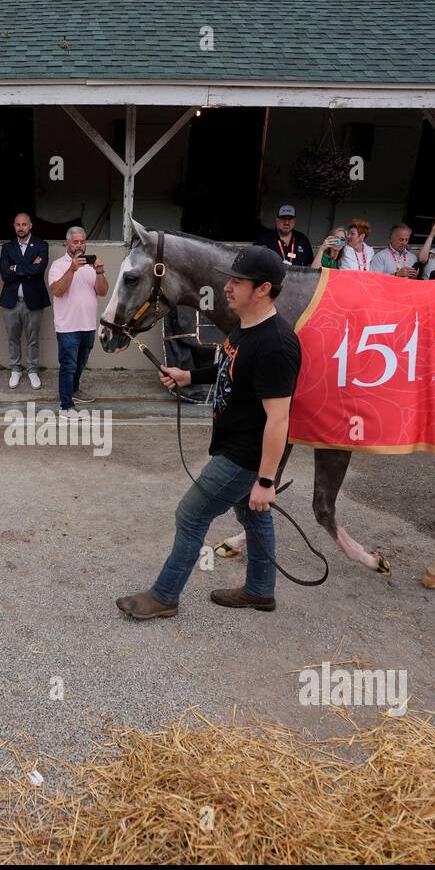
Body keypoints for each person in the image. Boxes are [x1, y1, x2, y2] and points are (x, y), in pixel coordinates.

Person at [116, 246, 301, 619]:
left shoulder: (276, 344)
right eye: (229, 279)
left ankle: (164, 596)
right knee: (254, 516)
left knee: (190, 515)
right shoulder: (244, 328)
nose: (227, 287)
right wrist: (190, 375)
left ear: (263, 289)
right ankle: (260, 591)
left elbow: (279, 420)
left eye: (237, 281)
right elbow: (230, 370)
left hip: (242, 457)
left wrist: (265, 480)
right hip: (232, 447)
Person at [48, 226, 107, 417]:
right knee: (68, 365)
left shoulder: (91, 265)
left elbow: (103, 291)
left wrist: (99, 272)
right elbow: (57, 291)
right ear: (68, 243)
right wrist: (72, 270)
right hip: (67, 327)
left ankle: (74, 390)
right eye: (75, 242)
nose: (79, 245)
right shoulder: (58, 265)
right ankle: (66, 406)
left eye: (82, 241)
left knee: (80, 364)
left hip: (88, 325)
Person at [0, 212, 49, 390]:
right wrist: (27, 267)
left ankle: (33, 370)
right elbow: (5, 274)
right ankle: (16, 369)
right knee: (13, 338)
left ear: (30, 226)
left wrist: (15, 267)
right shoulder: (7, 247)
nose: (21, 228)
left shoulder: (41, 245)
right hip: (11, 301)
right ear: (14, 226)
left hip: (34, 300)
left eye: (24, 224)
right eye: (18, 224)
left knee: (33, 338)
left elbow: (38, 271)